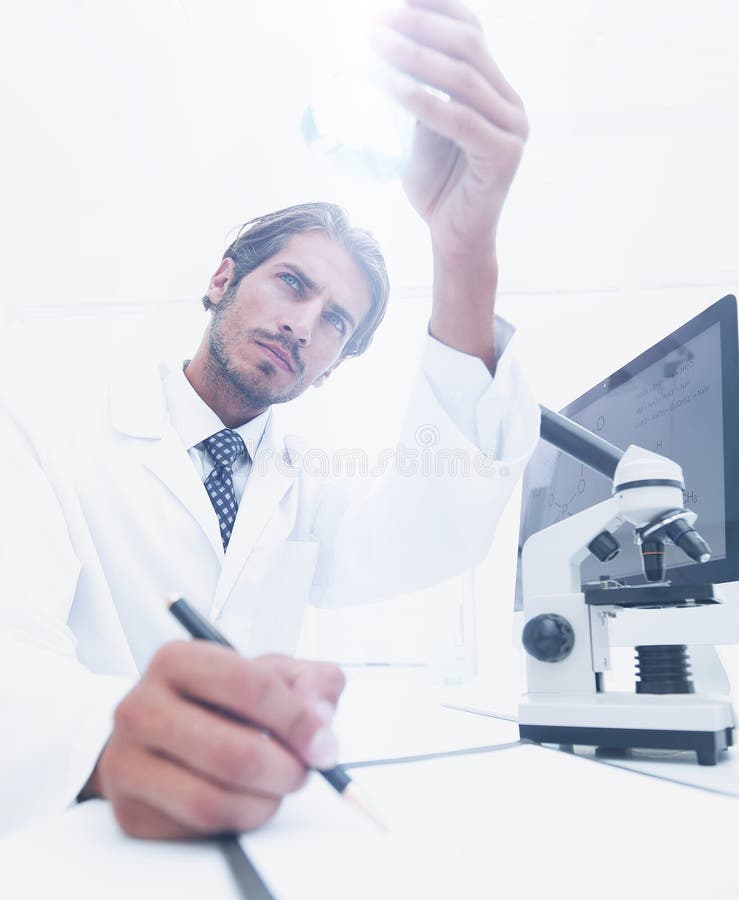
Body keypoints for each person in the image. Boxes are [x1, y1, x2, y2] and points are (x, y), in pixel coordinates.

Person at [0, 0, 538, 838]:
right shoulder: (45, 432)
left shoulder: (307, 489)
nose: (304, 323)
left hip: (248, 826)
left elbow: (435, 531)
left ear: (330, 369)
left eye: (336, 323)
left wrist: (462, 250)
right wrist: (102, 741)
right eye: (293, 284)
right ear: (222, 281)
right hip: (78, 829)